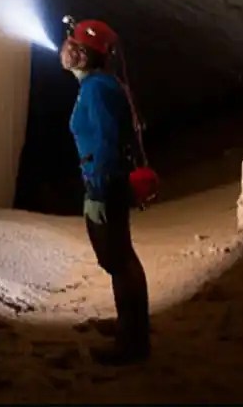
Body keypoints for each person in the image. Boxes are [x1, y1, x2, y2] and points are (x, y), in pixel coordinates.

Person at [60, 18, 151, 364]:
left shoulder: (97, 89)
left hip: (107, 183)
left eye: (74, 46)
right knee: (119, 258)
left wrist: (96, 192)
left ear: (83, 55)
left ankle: (133, 345)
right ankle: (130, 329)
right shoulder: (99, 84)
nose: (66, 50)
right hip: (110, 180)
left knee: (120, 260)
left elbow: (105, 143)